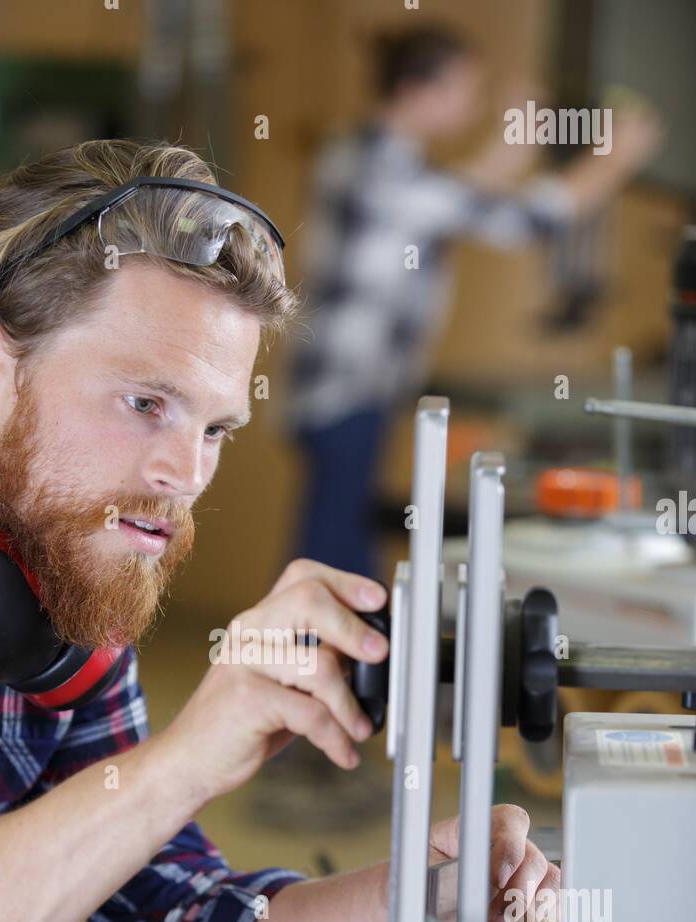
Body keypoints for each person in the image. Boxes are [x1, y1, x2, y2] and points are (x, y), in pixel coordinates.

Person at [0, 139, 557, 922]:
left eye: (216, 428)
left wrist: (422, 896)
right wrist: (185, 762)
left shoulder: (59, 569)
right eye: (145, 404)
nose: (186, 475)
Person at [283, 24, 663, 581]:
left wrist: (519, 139)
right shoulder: (379, 168)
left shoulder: (369, 154)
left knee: (335, 536)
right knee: (332, 553)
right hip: (344, 388)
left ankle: (316, 632)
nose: (475, 104)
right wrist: (617, 156)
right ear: (419, 91)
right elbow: (523, 219)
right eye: (466, 89)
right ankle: (310, 635)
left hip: (349, 386)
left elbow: (463, 192)